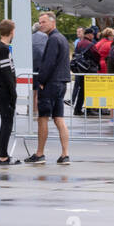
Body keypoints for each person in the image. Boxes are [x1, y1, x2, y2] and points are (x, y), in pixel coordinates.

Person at [27, 11, 70, 165]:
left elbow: (49, 62)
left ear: (53, 22)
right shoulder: (62, 38)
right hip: (61, 83)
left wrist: (41, 81)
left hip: (51, 83)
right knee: (59, 118)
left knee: (43, 117)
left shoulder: (53, 39)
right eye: (40, 22)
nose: (41, 24)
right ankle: (65, 154)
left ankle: (40, 154)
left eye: (44, 22)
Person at [0, 19, 19, 165]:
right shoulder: (2, 48)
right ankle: (3, 156)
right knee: (6, 122)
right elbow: (6, 73)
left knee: (7, 122)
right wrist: (13, 93)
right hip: (4, 90)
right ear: (11, 31)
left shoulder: (1, 47)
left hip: (2, 88)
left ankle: (4, 154)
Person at [72, 25, 96, 115]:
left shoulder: (79, 43)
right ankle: (88, 110)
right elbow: (96, 55)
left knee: (82, 90)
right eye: (92, 34)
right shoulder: (90, 44)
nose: (93, 36)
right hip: (88, 69)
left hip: (80, 69)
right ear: (89, 35)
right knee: (89, 90)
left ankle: (77, 109)